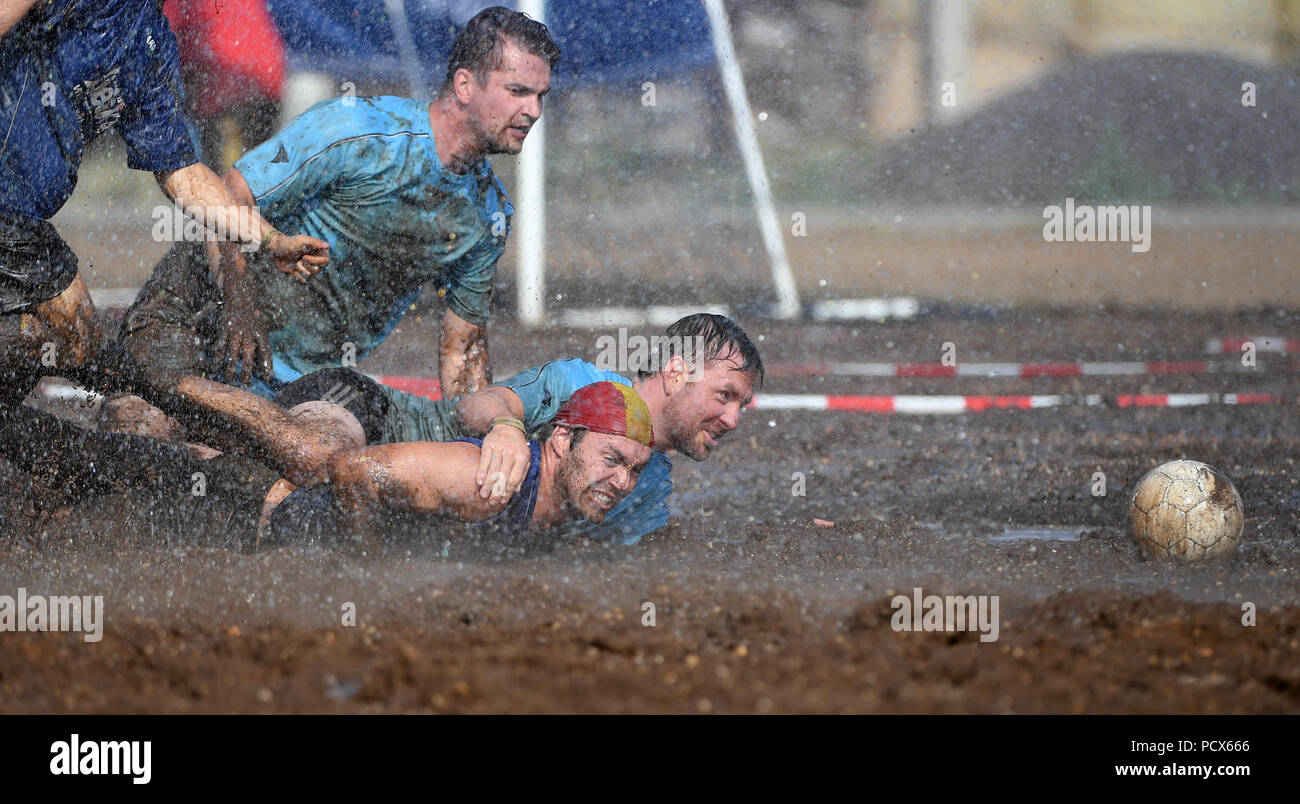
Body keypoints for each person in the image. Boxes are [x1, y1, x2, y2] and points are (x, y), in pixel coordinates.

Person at [104, 5, 560, 438]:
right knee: (142, 430)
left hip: (299, 381)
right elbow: (229, 194)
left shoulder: (486, 214)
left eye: (541, 96)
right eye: (518, 91)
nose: (534, 112)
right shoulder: (356, 132)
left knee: (300, 469)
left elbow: (463, 352)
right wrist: (238, 302)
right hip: (191, 317)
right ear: (464, 86)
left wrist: (480, 447)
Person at [182, 313, 766, 545]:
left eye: (743, 406)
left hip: (398, 494)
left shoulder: (653, 488)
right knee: (316, 465)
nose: (734, 420)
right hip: (373, 415)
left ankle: (169, 424)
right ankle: (164, 383)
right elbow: (472, 407)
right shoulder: (577, 382)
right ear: (677, 370)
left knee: (217, 487)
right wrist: (509, 427)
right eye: (725, 396)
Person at [0, 0, 330, 408]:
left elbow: (185, 175)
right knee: (75, 329)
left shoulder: (149, 42)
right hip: (7, 205)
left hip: (22, 217)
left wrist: (269, 239)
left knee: (72, 339)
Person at [263, 381, 655, 548]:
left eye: (636, 470)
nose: (623, 482)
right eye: (612, 460)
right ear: (563, 439)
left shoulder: (569, 506)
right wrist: (367, 575)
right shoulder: (491, 481)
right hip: (266, 516)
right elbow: (355, 470)